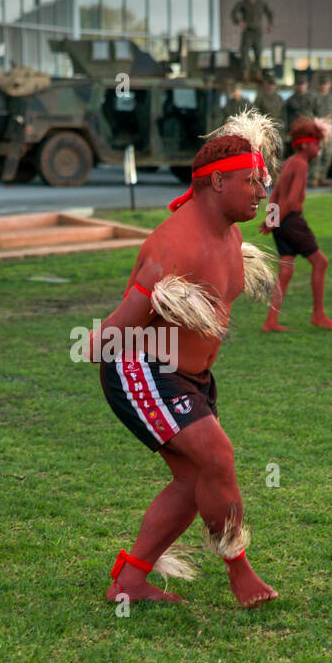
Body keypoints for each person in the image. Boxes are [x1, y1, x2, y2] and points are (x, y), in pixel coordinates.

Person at [93, 114, 279, 608]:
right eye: (252, 181)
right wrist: (100, 339)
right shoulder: (172, 246)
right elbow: (114, 333)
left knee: (195, 478)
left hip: (191, 376)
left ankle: (130, 580)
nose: (262, 191)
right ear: (218, 182)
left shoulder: (230, 235)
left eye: (263, 180)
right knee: (218, 459)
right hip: (143, 371)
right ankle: (239, 572)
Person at [261, 117, 332, 332]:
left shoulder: (289, 162)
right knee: (320, 262)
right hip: (292, 221)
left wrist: (271, 220)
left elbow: (276, 193)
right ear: (305, 144)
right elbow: (289, 199)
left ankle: (271, 321)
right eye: (317, 143)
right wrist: (273, 221)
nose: (319, 148)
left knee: (286, 270)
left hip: (281, 221)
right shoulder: (301, 164)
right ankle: (318, 315)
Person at [230, 0, 273, 78]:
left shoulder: (261, 3)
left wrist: (270, 24)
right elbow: (234, 12)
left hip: (258, 31)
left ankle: (257, 72)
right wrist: (239, 22)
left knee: (258, 51)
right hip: (248, 31)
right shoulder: (243, 3)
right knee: (244, 52)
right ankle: (245, 72)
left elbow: (270, 13)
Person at [308, 76, 332, 187]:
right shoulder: (314, 98)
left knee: (329, 153)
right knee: (317, 154)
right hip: (318, 130)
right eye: (322, 84)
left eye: (326, 84)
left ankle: (322, 177)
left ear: (329, 85)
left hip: (329, 131)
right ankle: (314, 177)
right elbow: (310, 113)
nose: (324, 86)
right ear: (319, 85)